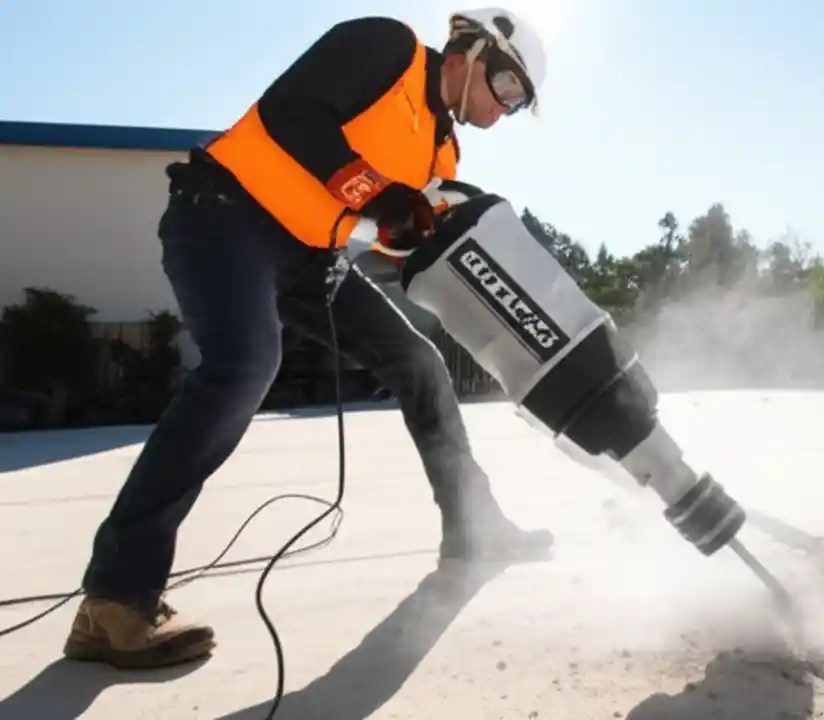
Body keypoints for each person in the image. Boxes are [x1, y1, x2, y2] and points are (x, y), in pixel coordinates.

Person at [63, 8, 554, 671]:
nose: (505, 110)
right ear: (473, 53)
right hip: (225, 216)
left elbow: (387, 232)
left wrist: (409, 227)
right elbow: (292, 115)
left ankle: (476, 528)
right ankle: (115, 600)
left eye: (519, 104)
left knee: (419, 360)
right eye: (509, 89)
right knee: (245, 364)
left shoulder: (443, 151)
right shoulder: (388, 47)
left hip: (310, 259)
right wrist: (379, 194)